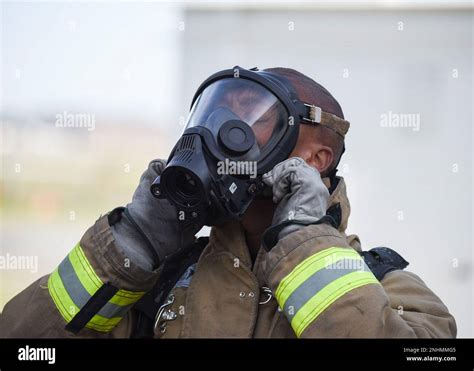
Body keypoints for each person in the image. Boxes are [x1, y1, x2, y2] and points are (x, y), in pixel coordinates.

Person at [0, 67, 456, 338]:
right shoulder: (159, 286)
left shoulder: (393, 290)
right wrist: (129, 249)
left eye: (251, 115)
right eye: (216, 110)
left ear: (317, 159)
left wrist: (304, 244)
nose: (219, 131)